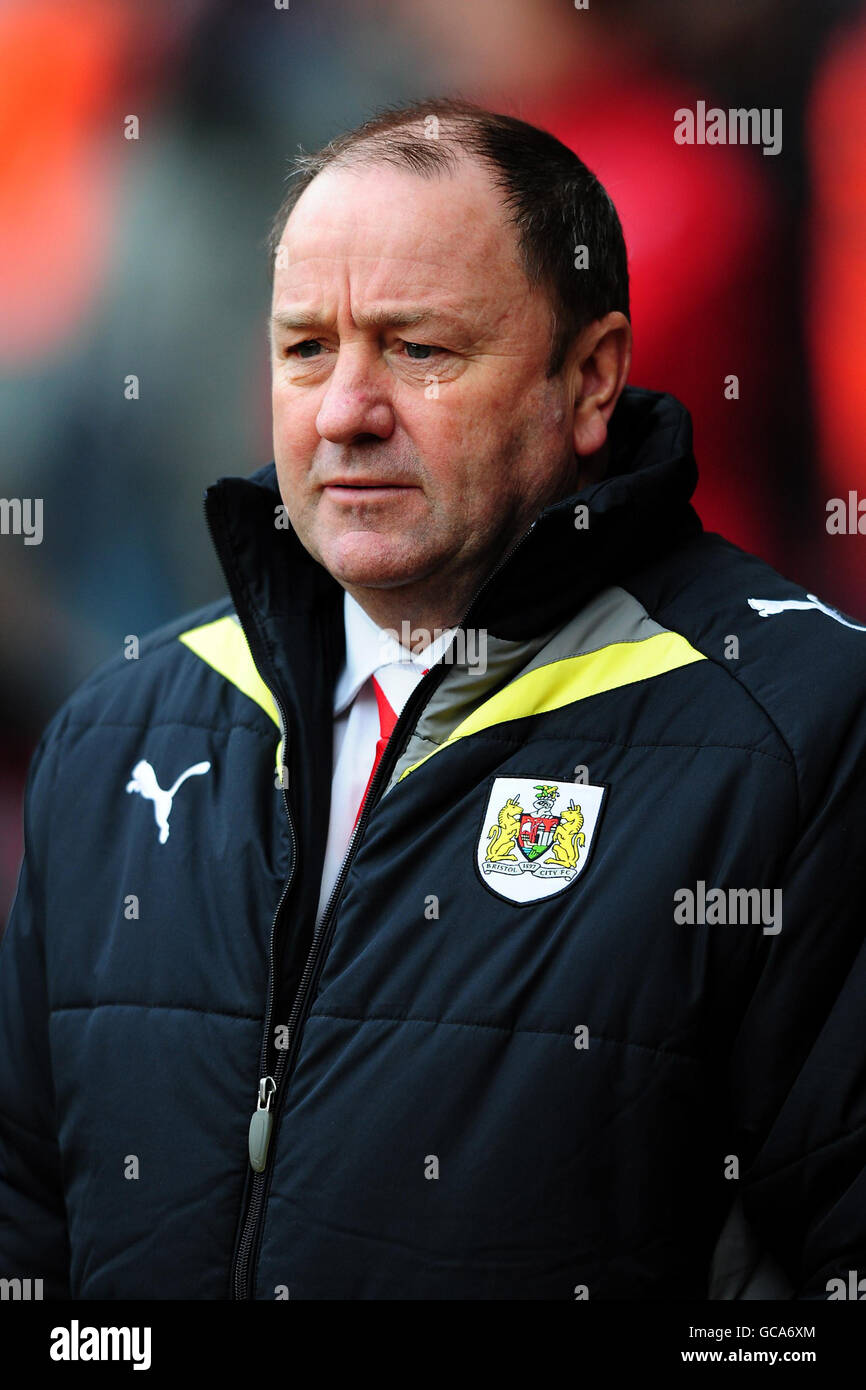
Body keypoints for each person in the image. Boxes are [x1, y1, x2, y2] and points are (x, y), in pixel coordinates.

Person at [1, 97, 864, 1301]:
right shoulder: (117, 735)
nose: (344, 411)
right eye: (306, 348)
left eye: (418, 350)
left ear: (589, 379)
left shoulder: (798, 730)